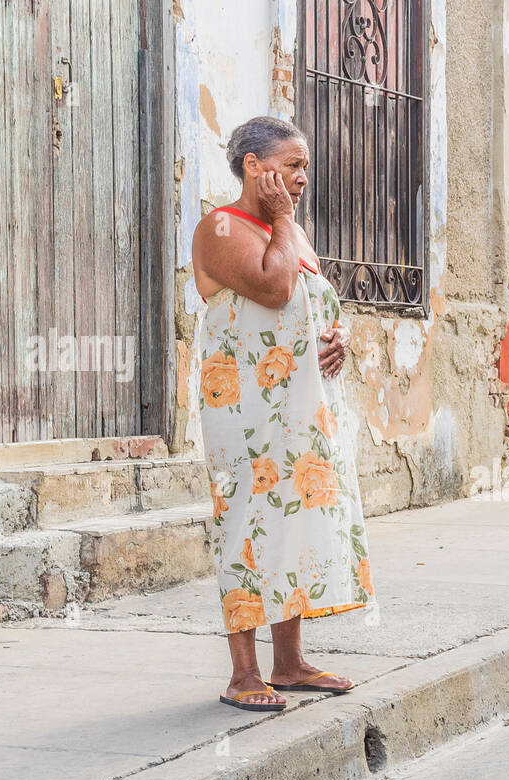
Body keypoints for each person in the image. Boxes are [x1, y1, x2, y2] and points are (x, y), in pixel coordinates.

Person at [191, 116, 374, 710]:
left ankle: (289, 663)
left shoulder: (282, 228)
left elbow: (312, 299)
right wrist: (284, 222)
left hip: (297, 408)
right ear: (253, 165)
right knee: (245, 521)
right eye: (291, 165)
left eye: (303, 168)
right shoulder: (221, 226)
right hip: (245, 409)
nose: (301, 178)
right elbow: (273, 289)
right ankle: (244, 673)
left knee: (293, 518)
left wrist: (338, 335)